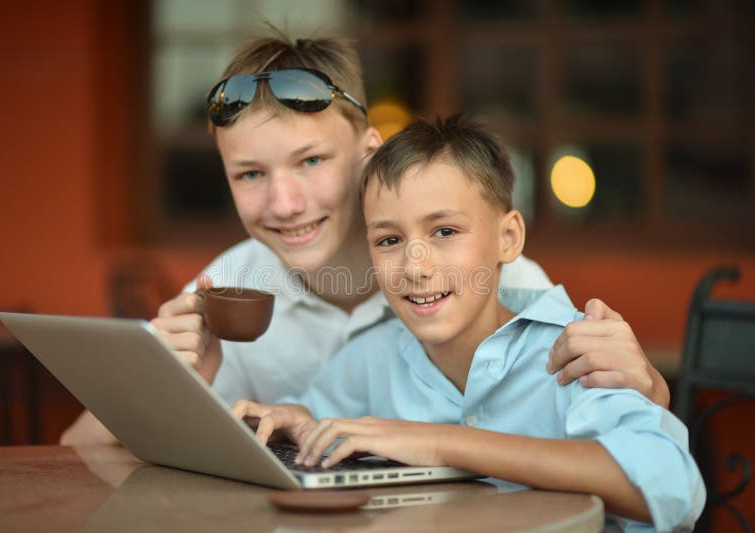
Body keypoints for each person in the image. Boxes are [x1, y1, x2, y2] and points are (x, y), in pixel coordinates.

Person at [61, 33, 670, 445]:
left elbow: (616, 421)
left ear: (368, 154)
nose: (283, 202)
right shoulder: (228, 289)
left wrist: (652, 386)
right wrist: (165, 384)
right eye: (250, 174)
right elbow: (73, 448)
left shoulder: (486, 278)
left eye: (310, 161)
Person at [232, 115, 705, 532]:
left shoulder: (576, 351)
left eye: (445, 232)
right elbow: (318, 421)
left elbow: (672, 489)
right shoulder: (370, 356)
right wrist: (300, 421)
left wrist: (441, 443)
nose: (414, 267)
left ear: (508, 237)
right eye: (390, 239)